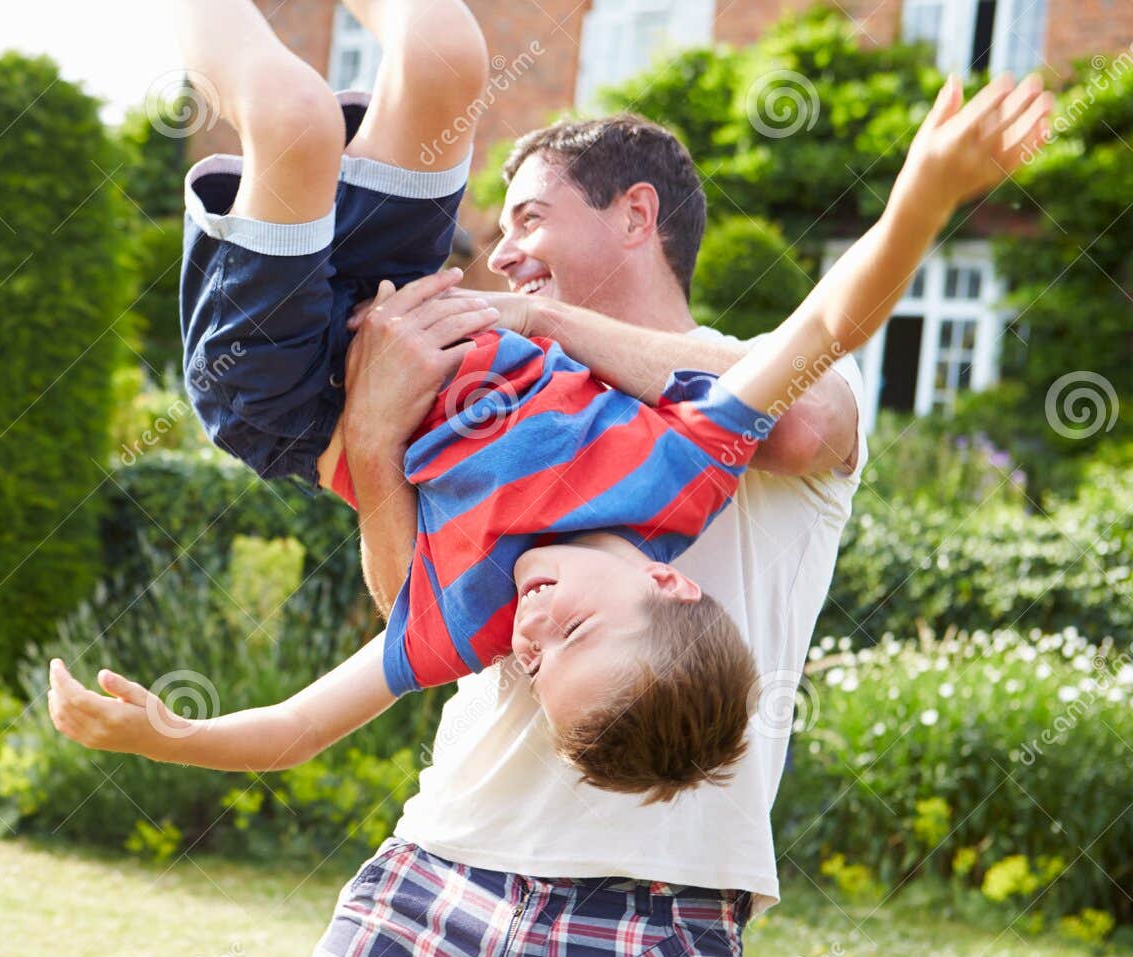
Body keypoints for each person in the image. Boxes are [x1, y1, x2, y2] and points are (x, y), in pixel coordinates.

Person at [53, 0, 1050, 798]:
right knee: (446, 48)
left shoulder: (473, 615)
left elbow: (296, 728)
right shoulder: (683, 467)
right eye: (567, 634)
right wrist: (924, 194)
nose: (527, 642)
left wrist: (172, 735)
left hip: (284, 396)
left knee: (294, 120)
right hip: (410, 303)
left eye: (535, 666)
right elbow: (828, 325)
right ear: (671, 584)